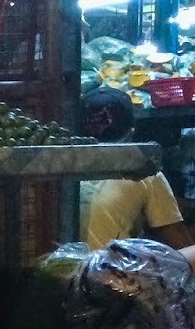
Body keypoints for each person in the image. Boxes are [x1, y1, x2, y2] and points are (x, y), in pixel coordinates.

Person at [78, 88, 193, 251]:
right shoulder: (143, 171)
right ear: (132, 131)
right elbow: (180, 247)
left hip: (54, 269)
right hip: (107, 272)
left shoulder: (59, 165)